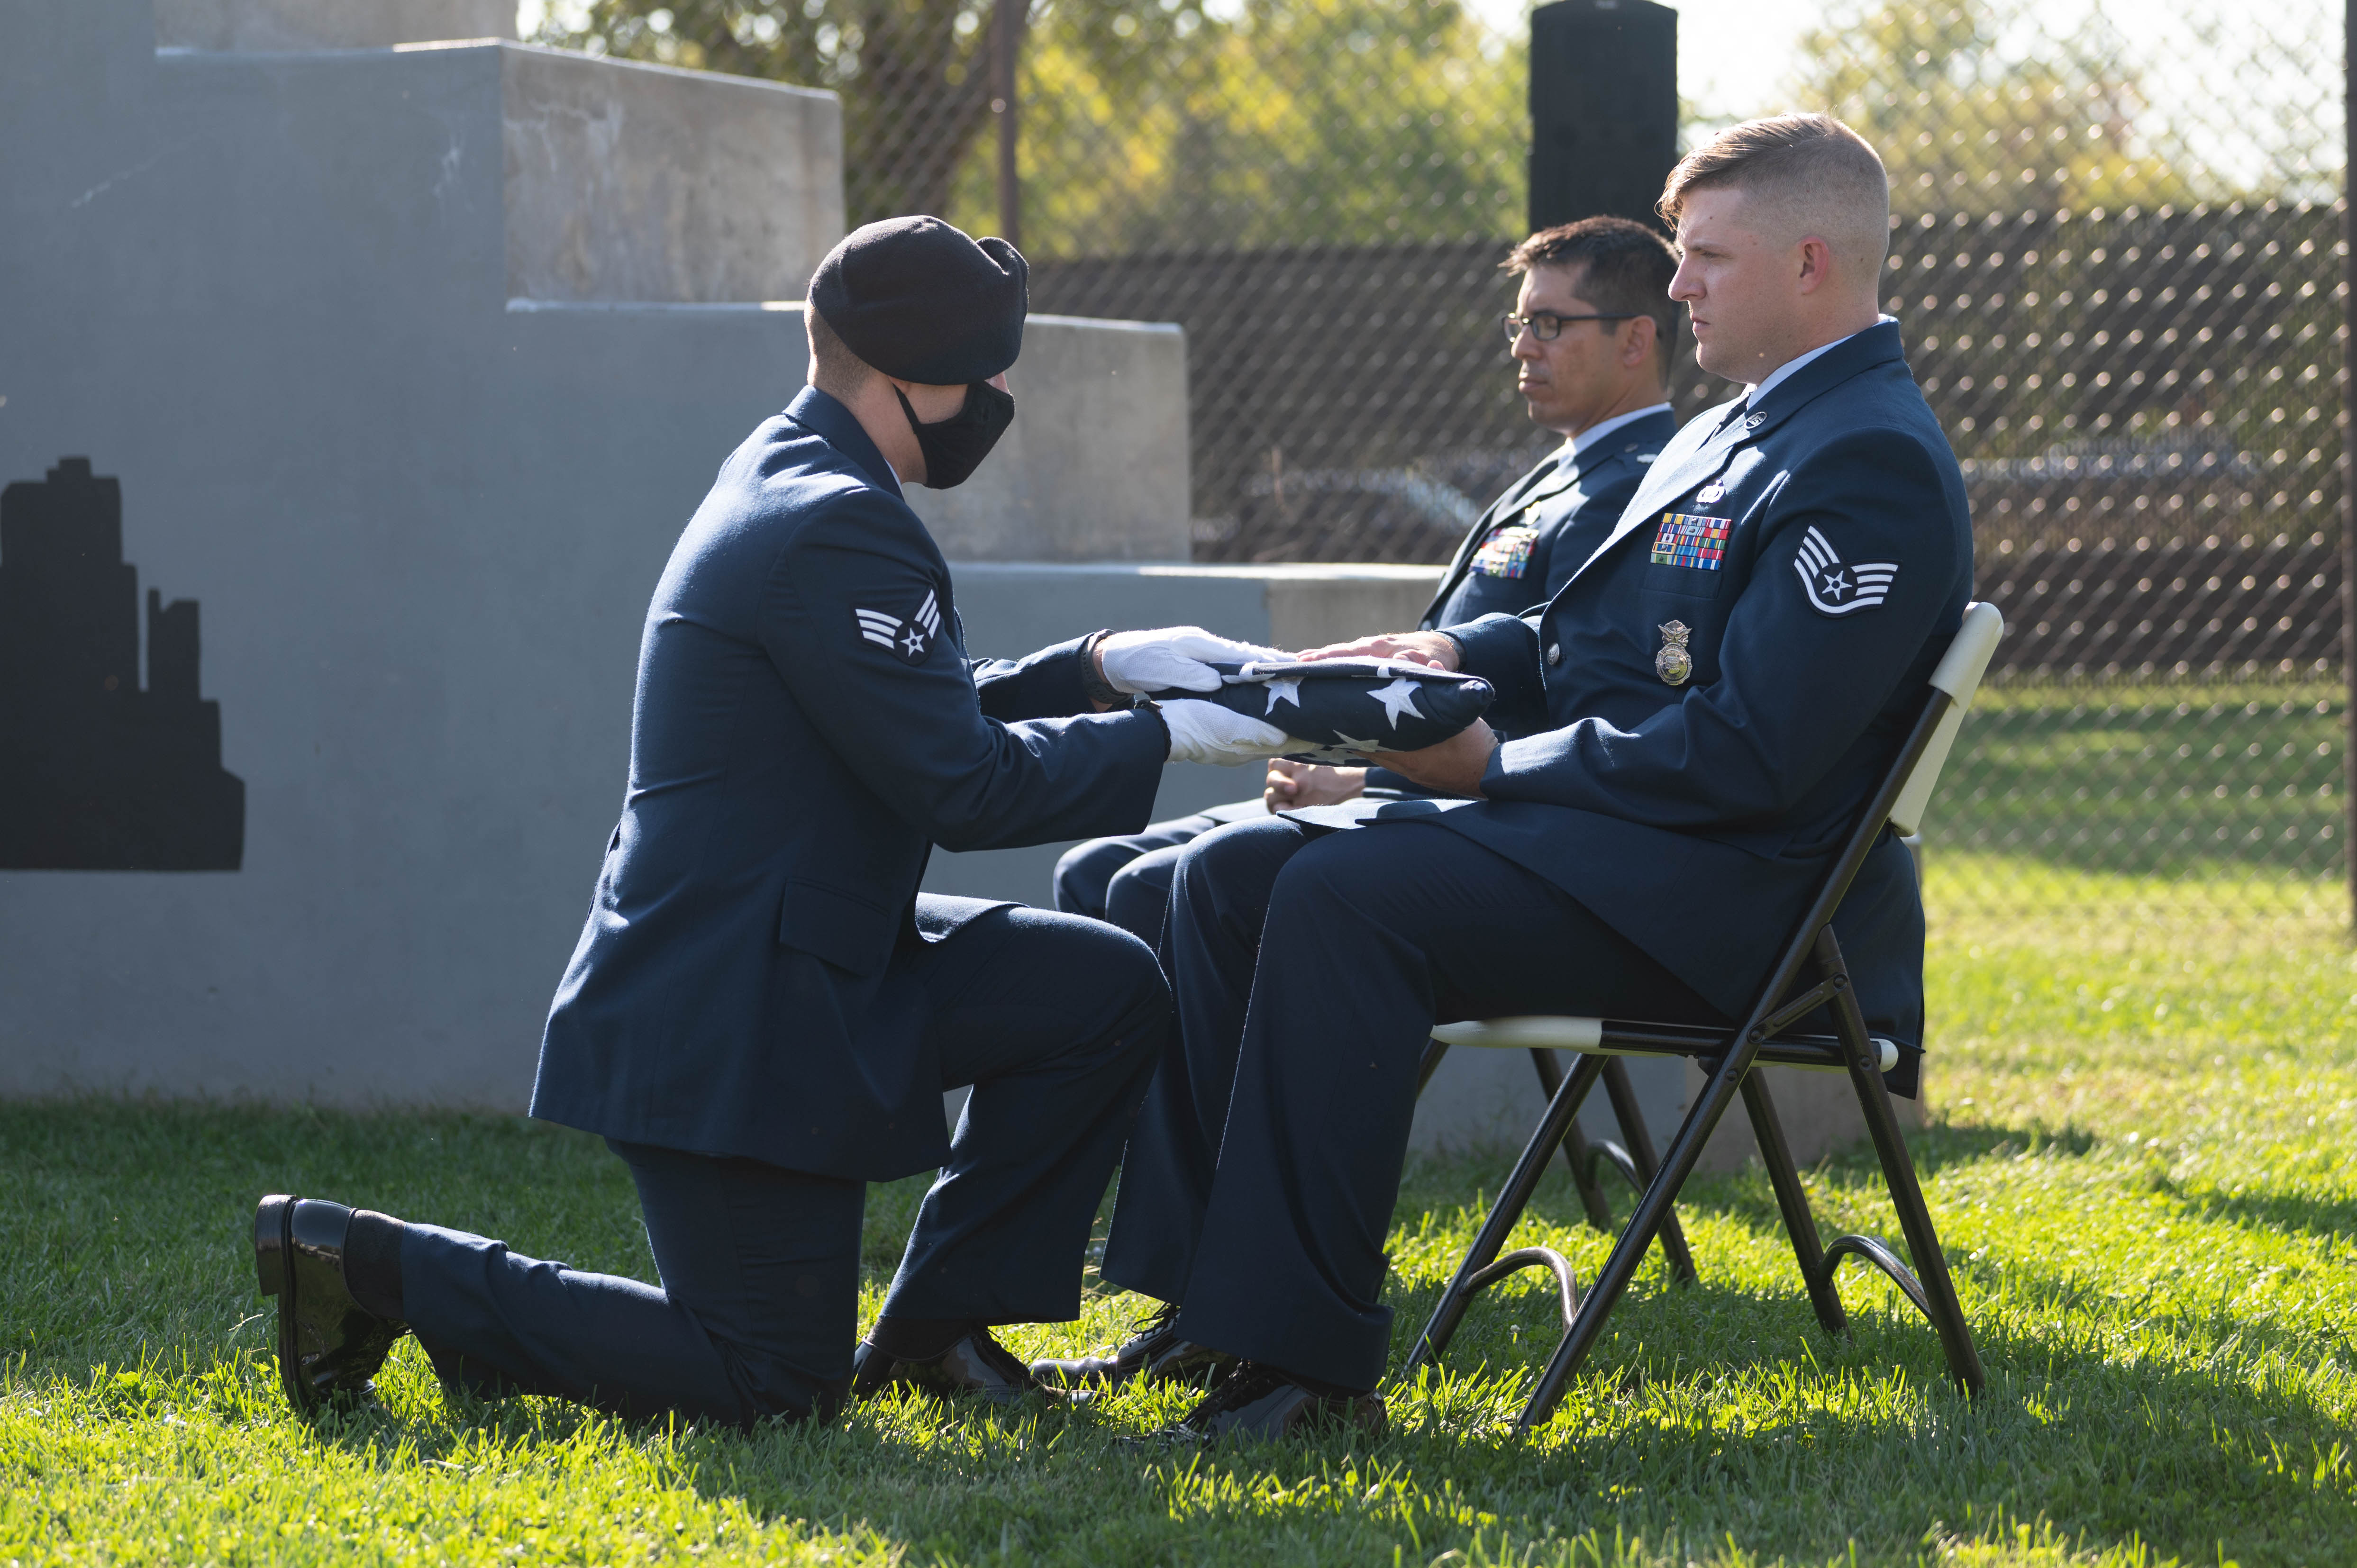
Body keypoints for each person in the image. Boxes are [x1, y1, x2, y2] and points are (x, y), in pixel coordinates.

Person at [248, 217, 1295, 1427]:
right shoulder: (836, 523)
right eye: (985, 368)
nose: (1000, 392)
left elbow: (901, 699)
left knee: (1101, 989)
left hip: (804, 950)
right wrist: (1170, 734)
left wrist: (1097, 668)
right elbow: (967, 786)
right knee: (772, 1384)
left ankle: (937, 1331)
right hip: (733, 1004)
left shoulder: (799, 465)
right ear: (908, 375)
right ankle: (362, 1264)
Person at [1040, 114, 1975, 1440]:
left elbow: (1751, 754)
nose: (1677, 283)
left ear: (1809, 262)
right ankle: (1215, 1313)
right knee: (1240, 871)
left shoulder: (1863, 456)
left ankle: (1307, 1372)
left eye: (1704, 256)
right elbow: (1602, 645)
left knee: (1340, 891)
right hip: (1639, 853)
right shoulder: (1746, 426)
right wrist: (1451, 651)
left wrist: (1487, 764)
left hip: (1729, 902)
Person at [1050, 218, 1683, 947]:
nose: (1520, 344)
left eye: (1547, 323)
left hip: (1482, 807)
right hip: (1409, 781)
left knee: (1145, 885)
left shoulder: (1632, 491)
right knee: (1094, 868)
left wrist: (1360, 779)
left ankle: (1206, 1071)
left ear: (1634, 341)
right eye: (1518, 321)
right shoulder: (1568, 468)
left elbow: (1567, 695)